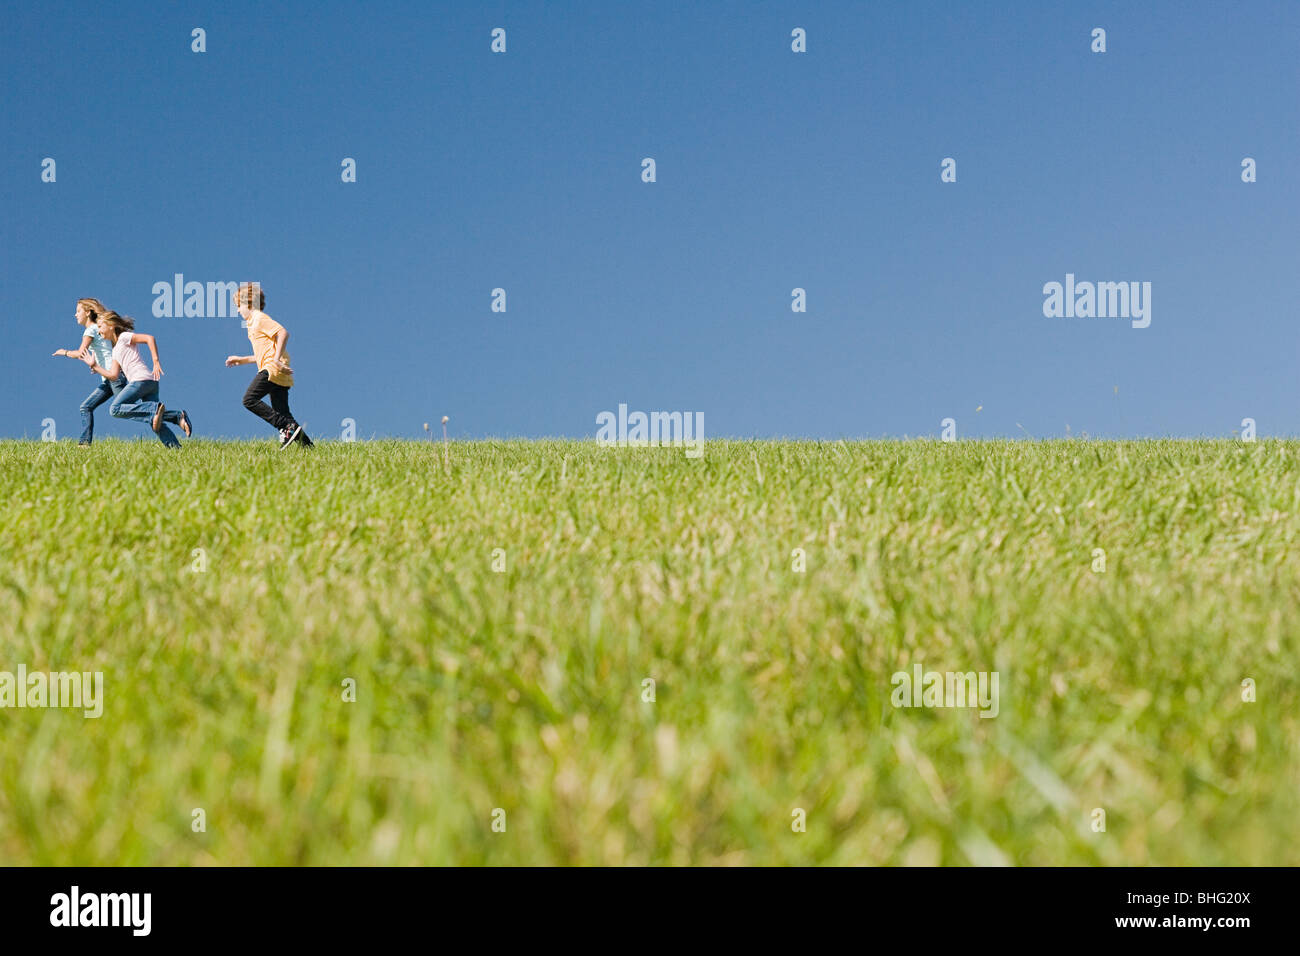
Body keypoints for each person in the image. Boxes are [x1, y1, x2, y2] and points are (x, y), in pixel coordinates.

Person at [82, 311, 192, 447]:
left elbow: (149, 338)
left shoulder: (124, 337)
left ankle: (160, 411)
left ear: (111, 325)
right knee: (154, 422)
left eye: (100, 326)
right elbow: (113, 375)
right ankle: (176, 444)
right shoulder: (115, 350)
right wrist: (95, 366)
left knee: (115, 409)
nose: (98, 331)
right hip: (150, 383)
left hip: (140, 380)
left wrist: (156, 361)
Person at [226, 283, 312, 448]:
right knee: (283, 413)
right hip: (277, 369)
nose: (237, 310)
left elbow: (283, 332)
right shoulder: (252, 324)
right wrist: (241, 359)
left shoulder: (259, 319)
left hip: (273, 369)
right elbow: (262, 354)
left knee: (249, 399)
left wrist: (277, 360)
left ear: (249, 303)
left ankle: (285, 427)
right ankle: (308, 448)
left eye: (238, 306)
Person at [52, 297, 127, 446]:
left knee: (126, 410)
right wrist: (96, 365)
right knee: (86, 407)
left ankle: (171, 416)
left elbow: (81, 353)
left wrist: (64, 352)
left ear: (87, 312)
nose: (75, 314)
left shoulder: (91, 330)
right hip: (109, 379)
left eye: (78, 311)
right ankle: (84, 444)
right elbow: (104, 351)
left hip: (115, 377)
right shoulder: (98, 329)